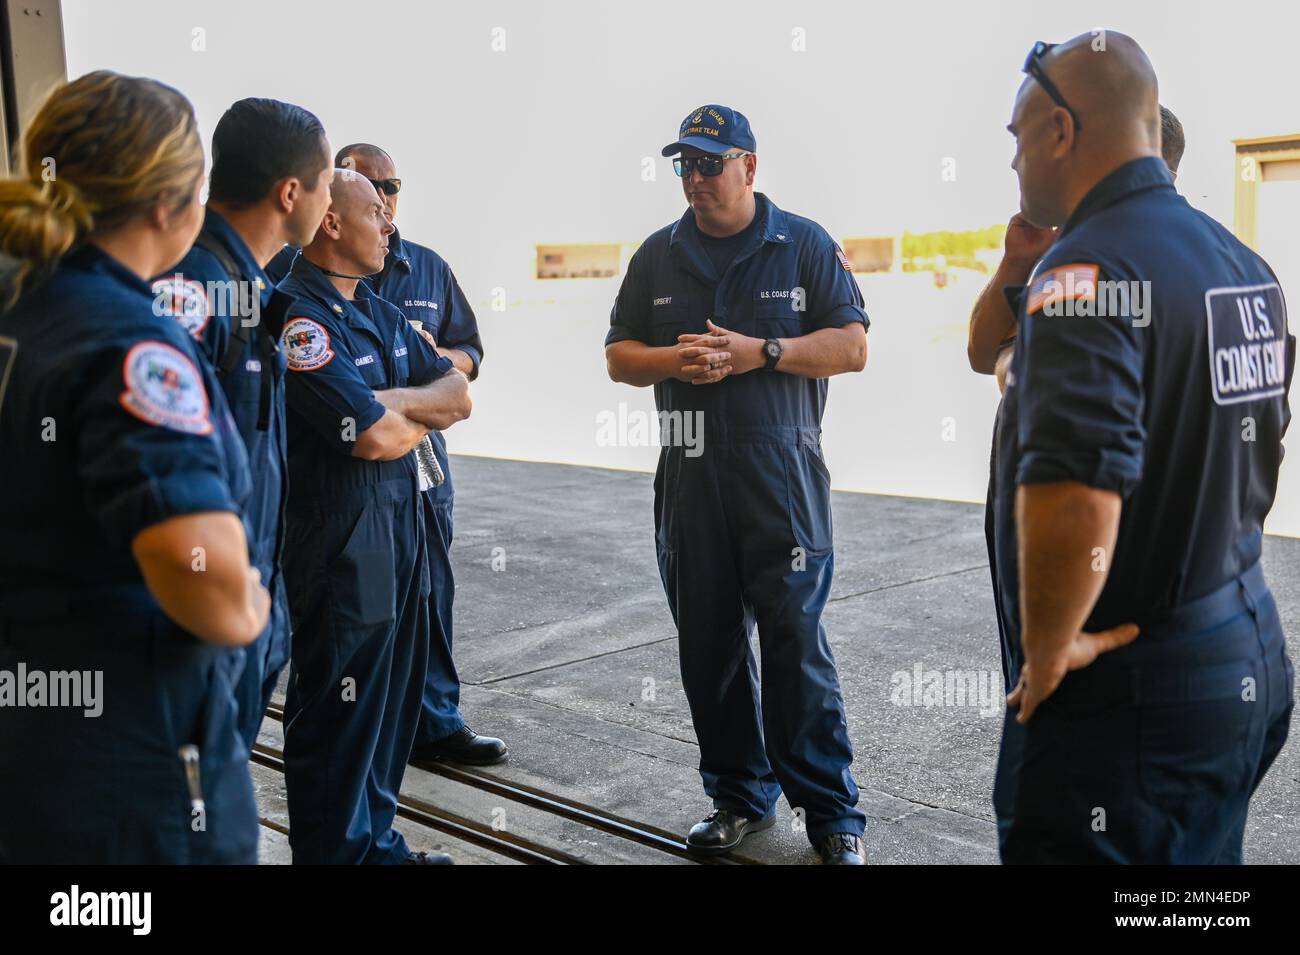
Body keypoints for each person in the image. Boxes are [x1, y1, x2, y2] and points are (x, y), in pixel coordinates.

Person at [991, 32, 1294, 863]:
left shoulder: (1082, 273)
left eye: (1016, 138)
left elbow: (1079, 492)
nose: (1012, 162)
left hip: (1129, 693)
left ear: (1060, 129)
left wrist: (1051, 647)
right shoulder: (1242, 264)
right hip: (1242, 648)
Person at [0, 70, 270, 863]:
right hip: (121, 772)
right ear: (168, 204)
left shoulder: (18, 301)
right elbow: (210, 585)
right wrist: (250, 602)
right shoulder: (130, 346)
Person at [605, 104, 870, 864]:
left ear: (749, 167)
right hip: (690, 476)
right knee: (709, 645)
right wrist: (675, 361)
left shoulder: (804, 245)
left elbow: (852, 347)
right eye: (683, 164)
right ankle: (738, 798)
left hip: (780, 471)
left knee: (796, 642)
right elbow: (620, 355)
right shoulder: (658, 255)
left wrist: (765, 351)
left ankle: (830, 813)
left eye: (708, 163)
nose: (694, 178)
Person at [277, 169, 471, 864]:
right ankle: (335, 855)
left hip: (401, 531)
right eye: (376, 212)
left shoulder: (376, 311)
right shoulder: (296, 315)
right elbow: (370, 437)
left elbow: (458, 393)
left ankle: (376, 843)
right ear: (331, 222)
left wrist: (381, 402)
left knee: (389, 705)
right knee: (339, 711)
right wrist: (402, 411)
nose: (390, 225)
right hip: (340, 542)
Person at [969, 105, 1187, 690]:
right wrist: (1017, 262)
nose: (1024, 159)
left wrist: (1019, 367)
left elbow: (1042, 396)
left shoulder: (1102, 264)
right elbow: (978, 351)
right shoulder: (1065, 255)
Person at [152, 98, 333, 751]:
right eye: (324, 183)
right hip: (203, 630)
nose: (330, 200)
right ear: (290, 193)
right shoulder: (194, 293)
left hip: (244, 613)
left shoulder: (246, 288)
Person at [331, 142, 504, 766]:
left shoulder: (427, 268)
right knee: (359, 602)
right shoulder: (304, 282)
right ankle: (369, 727)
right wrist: (414, 391)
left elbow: (468, 361)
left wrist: (426, 367)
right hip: (348, 472)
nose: (384, 202)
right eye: (369, 190)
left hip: (425, 466)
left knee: (430, 588)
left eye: (391, 187)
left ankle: (434, 719)